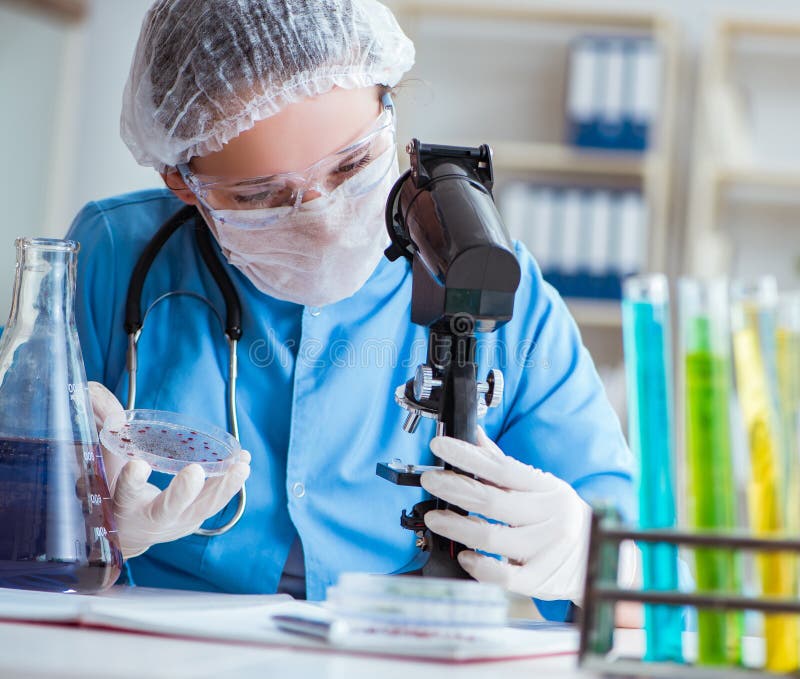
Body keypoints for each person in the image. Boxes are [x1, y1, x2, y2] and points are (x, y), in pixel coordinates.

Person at [71, 0, 635, 621]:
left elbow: (658, 603)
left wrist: (588, 559)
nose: (322, 220)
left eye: (352, 165)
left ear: (389, 113)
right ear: (183, 181)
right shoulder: (111, 259)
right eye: (262, 195)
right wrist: (82, 535)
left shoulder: (494, 291)